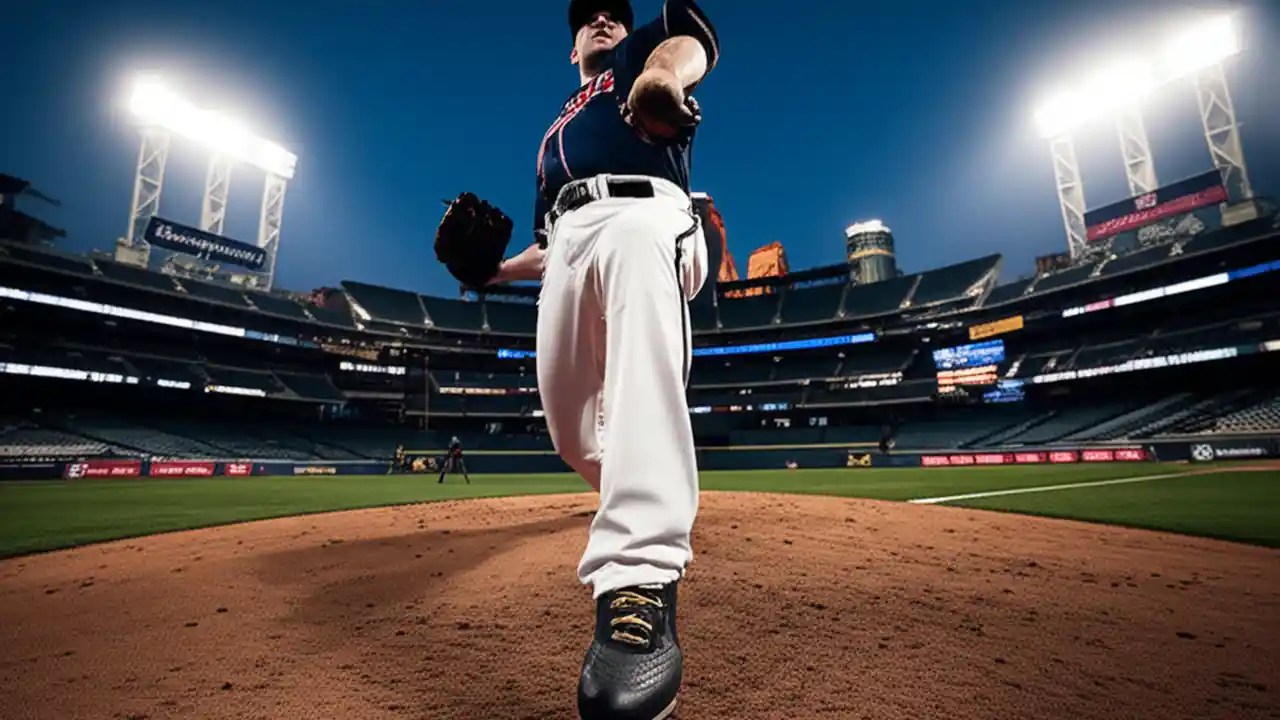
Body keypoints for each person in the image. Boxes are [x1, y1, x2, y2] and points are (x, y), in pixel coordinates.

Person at [482, 1, 718, 717]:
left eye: (615, 12)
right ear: (571, 46)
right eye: (590, 17)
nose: (604, 20)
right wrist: (494, 272)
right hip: (568, 241)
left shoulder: (632, 63)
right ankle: (643, 483)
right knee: (574, 430)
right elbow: (545, 242)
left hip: (649, 214)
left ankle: (639, 575)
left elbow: (694, 40)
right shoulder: (554, 134)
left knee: (632, 247)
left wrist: (662, 78)